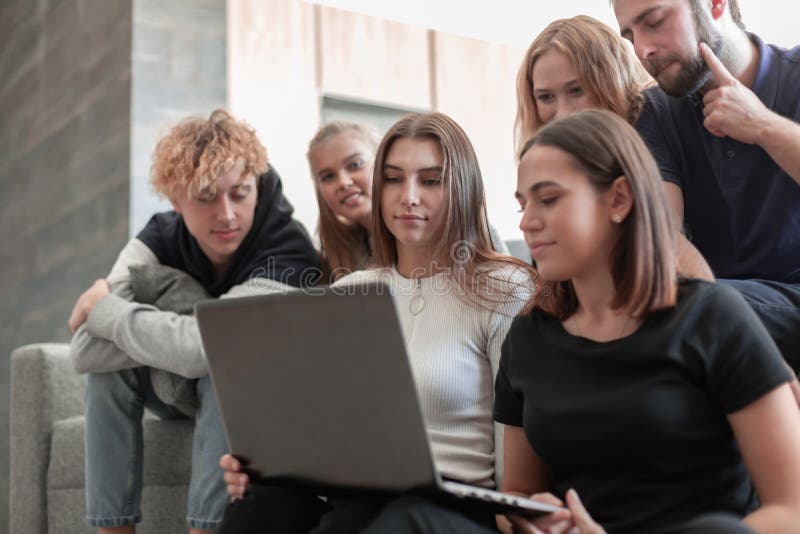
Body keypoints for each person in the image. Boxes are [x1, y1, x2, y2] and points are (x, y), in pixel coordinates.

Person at [356, 111, 800, 533]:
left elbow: (792, 509)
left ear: (619, 199)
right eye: (523, 203)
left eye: (549, 199)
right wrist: (532, 517)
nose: (528, 222)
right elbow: (516, 497)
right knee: (407, 522)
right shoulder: (530, 336)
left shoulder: (713, 319)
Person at [217, 112, 534, 533]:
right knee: (262, 507)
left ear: (463, 187)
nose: (409, 196)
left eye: (431, 180)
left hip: (452, 507)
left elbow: (514, 447)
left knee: (375, 520)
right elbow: (326, 426)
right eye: (394, 179)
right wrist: (264, 465)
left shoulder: (503, 287)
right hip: (359, 494)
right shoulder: (354, 289)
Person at [67, 109, 320, 534]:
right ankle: (113, 530)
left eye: (239, 193)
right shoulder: (159, 237)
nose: (226, 214)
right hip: (180, 387)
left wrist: (104, 309)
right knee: (106, 373)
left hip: (259, 400)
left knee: (228, 365)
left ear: (255, 185)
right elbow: (85, 352)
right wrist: (165, 334)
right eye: (205, 197)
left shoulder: (288, 249)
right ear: (176, 200)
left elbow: (210, 350)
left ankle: (204, 530)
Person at [612, 0, 800, 371]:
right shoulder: (655, 111)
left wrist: (763, 125)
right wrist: (703, 306)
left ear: (715, 4)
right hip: (708, 312)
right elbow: (662, 235)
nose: (642, 50)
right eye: (630, 35)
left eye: (654, 22)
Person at [306, 121, 380, 280]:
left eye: (355, 165)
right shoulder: (336, 259)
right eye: (328, 176)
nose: (343, 182)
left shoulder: (426, 241)